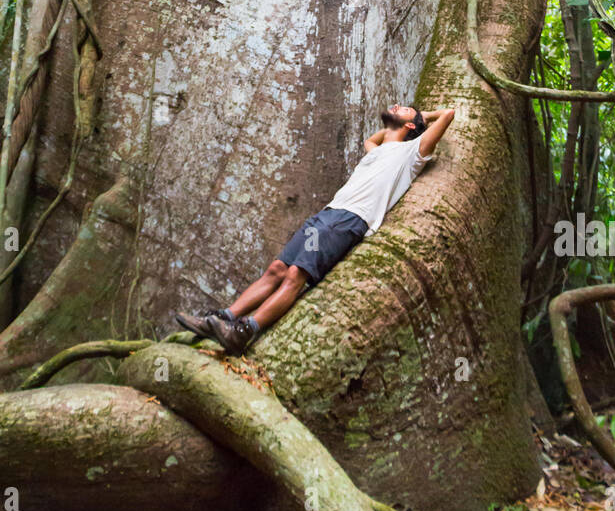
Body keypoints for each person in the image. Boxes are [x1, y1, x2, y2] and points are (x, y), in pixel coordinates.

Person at [173, 103, 455, 354]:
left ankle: (246, 331)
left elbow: (448, 114)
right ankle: (223, 318)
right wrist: (404, 118)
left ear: (410, 125)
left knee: (296, 274)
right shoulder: (377, 151)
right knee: (277, 269)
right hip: (327, 215)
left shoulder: (412, 154)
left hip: (351, 220)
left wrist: (422, 115)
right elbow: (371, 139)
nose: (396, 105)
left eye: (404, 109)